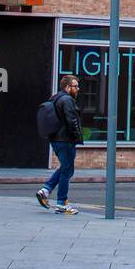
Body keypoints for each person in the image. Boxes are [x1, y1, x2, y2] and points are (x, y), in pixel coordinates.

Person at [36, 76, 83, 214]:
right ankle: (62, 203)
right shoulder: (67, 100)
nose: (77, 89)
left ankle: (45, 190)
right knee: (67, 171)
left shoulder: (55, 97)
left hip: (56, 139)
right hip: (65, 139)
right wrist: (76, 136)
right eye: (75, 86)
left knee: (65, 167)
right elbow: (72, 120)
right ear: (68, 87)